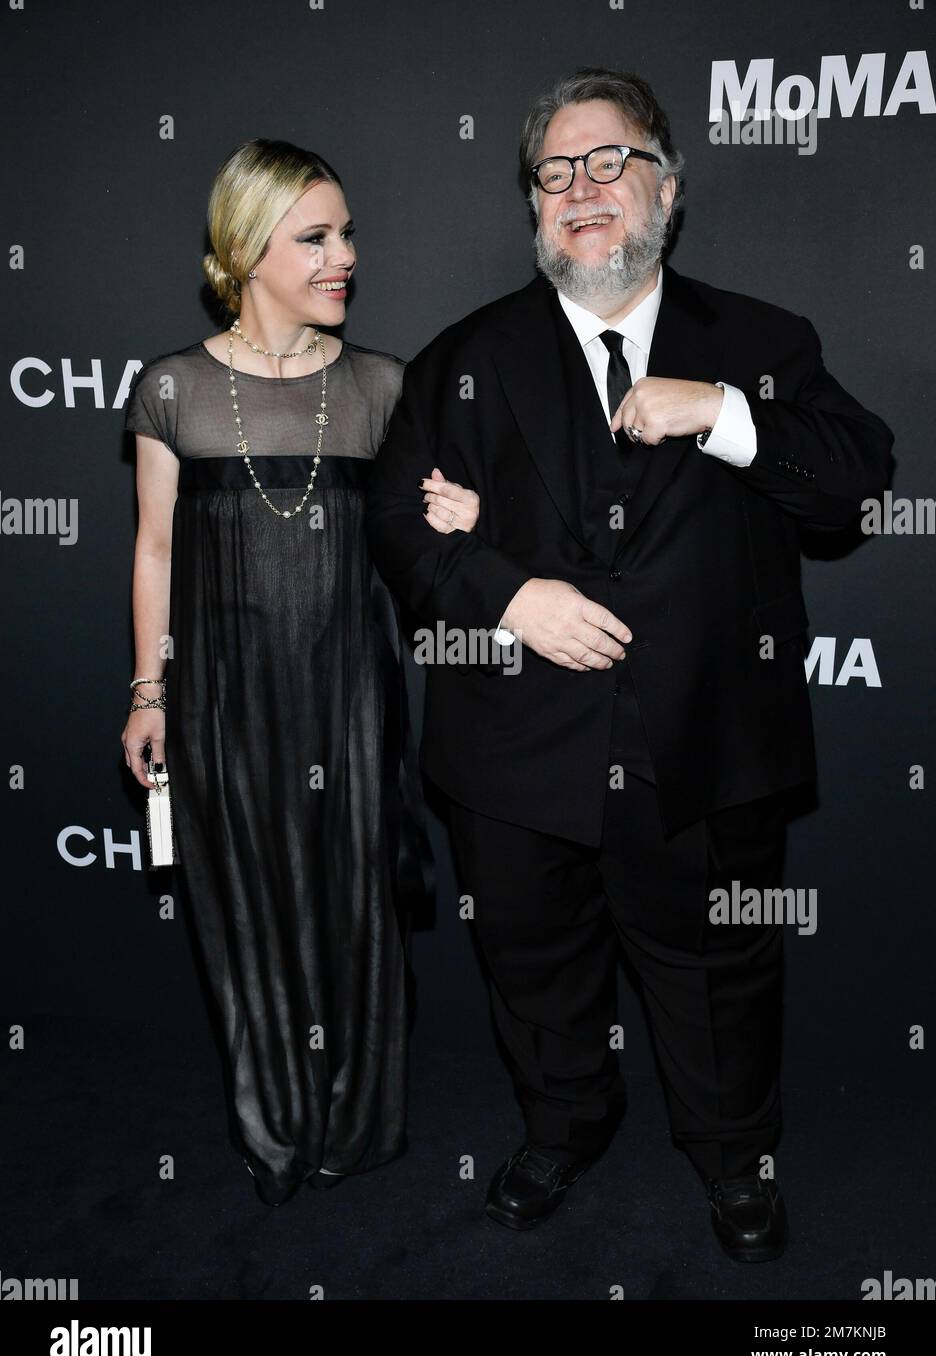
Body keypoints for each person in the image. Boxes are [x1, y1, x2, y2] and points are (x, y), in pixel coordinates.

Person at [364, 68, 893, 1260]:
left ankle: (733, 1157)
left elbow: (860, 477)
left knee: (720, 980)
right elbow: (395, 522)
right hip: (511, 753)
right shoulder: (464, 357)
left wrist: (724, 411)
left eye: (609, 161)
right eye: (555, 173)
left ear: (668, 185)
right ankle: (564, 1125)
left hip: (702, 748)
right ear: (533, 207)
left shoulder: (760, 342)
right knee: (535, 973)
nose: (581, 189)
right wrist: (510, 595)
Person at [121, 137, 478, 1208]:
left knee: (357, 906)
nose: (345, 257)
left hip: (351, 700)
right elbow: (151, 550)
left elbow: (428, 539)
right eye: (315, 236)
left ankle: (360, 1124)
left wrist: (457, 519)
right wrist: (149, 691)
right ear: (246, 248)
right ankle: (274, 1126)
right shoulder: (174, 388)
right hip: (223, 699)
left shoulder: (380, 385)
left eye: (347, 233)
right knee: (246, 912)